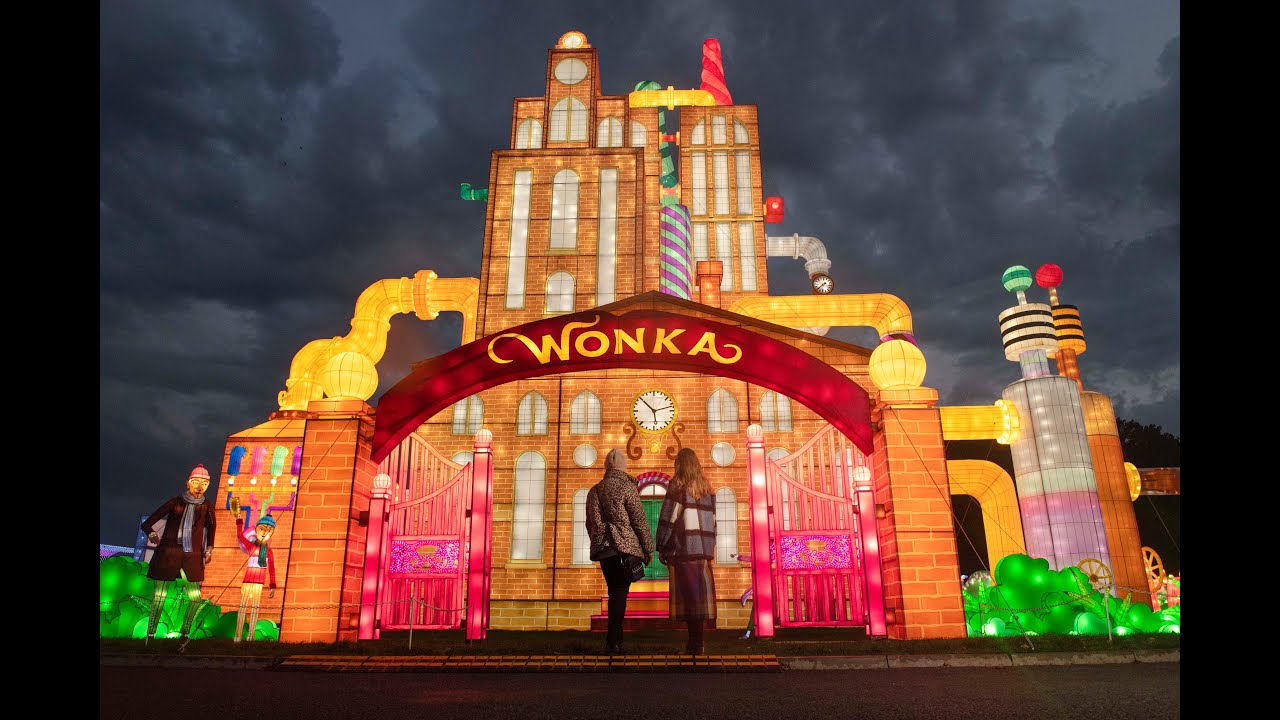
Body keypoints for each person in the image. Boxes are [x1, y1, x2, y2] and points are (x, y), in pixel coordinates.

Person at [585, 449, 655, 655]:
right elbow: (639, 520)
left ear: (607, 465)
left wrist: (599, 541)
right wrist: (648, 548)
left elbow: (590, 524)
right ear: (622, 465)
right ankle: (613, 642)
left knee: (614, 592)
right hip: (625, 548)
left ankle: (616, 640)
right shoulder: (627, 487)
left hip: (605, 550)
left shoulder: (595, 490)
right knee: (619, 595)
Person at [140, 463, 216, 643]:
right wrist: (151, 533)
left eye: (204, 483)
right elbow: (149, 522)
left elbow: (212, 527)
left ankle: (185, 633)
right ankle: (150, 634)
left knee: (195, 598)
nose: (200, 486)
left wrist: (209, 548)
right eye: (196, 482)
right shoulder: (176, 502)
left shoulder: (206, 506)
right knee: (159, 596)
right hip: (169, 553)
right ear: (188, 483)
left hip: (192, 556)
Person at [656, 447, 717, 655]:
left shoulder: (677, 487)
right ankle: (697, 644)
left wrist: (661, 546)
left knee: (690, 599)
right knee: (698, 599)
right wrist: (710, 548)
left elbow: (668, 520)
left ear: (679, 465)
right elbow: (714, 524)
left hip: (684, 551)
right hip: (703, 554)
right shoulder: (708, 491)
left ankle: (694, 645)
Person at [230, 504, 278, 642]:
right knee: (243, 606)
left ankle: (251, 636)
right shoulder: (251, 546)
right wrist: (239, 519)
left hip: (259, 583)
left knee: (255, 608)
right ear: (257, 529)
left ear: (271, 533)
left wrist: (273, 585)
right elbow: (240, 535)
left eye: (269, 530)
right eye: (262, 529)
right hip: (247, 581)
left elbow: (272, 569)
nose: (264, 532)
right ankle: (238, 636)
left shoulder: (268, 551)